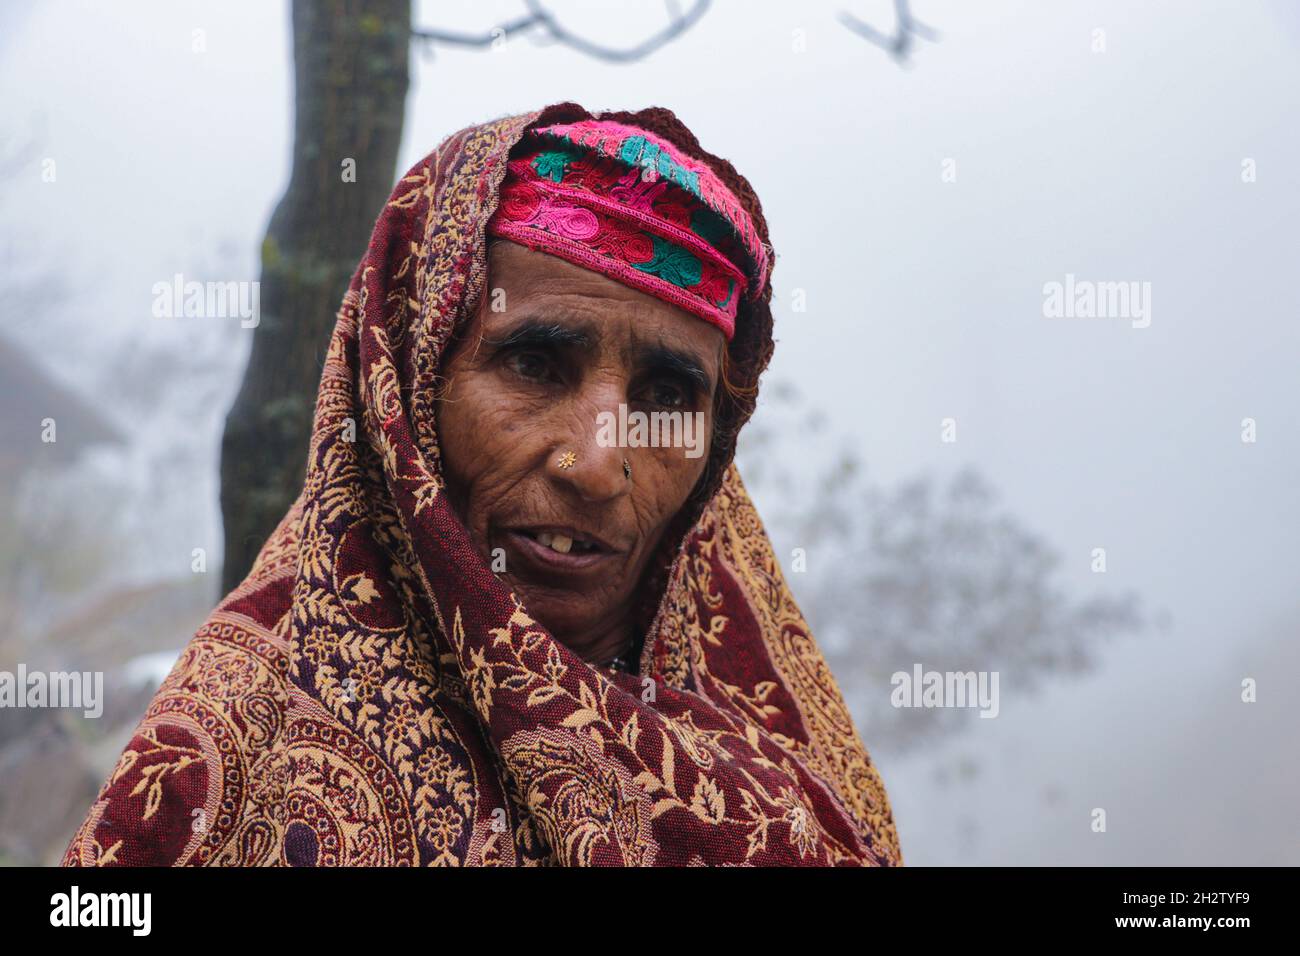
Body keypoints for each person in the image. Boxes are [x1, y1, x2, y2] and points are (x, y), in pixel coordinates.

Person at [62, 103, 902, 866]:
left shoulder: (786, 781)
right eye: (535, 364)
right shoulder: (217, 770)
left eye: (666, 397)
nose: (600, 465)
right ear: (409, 395)